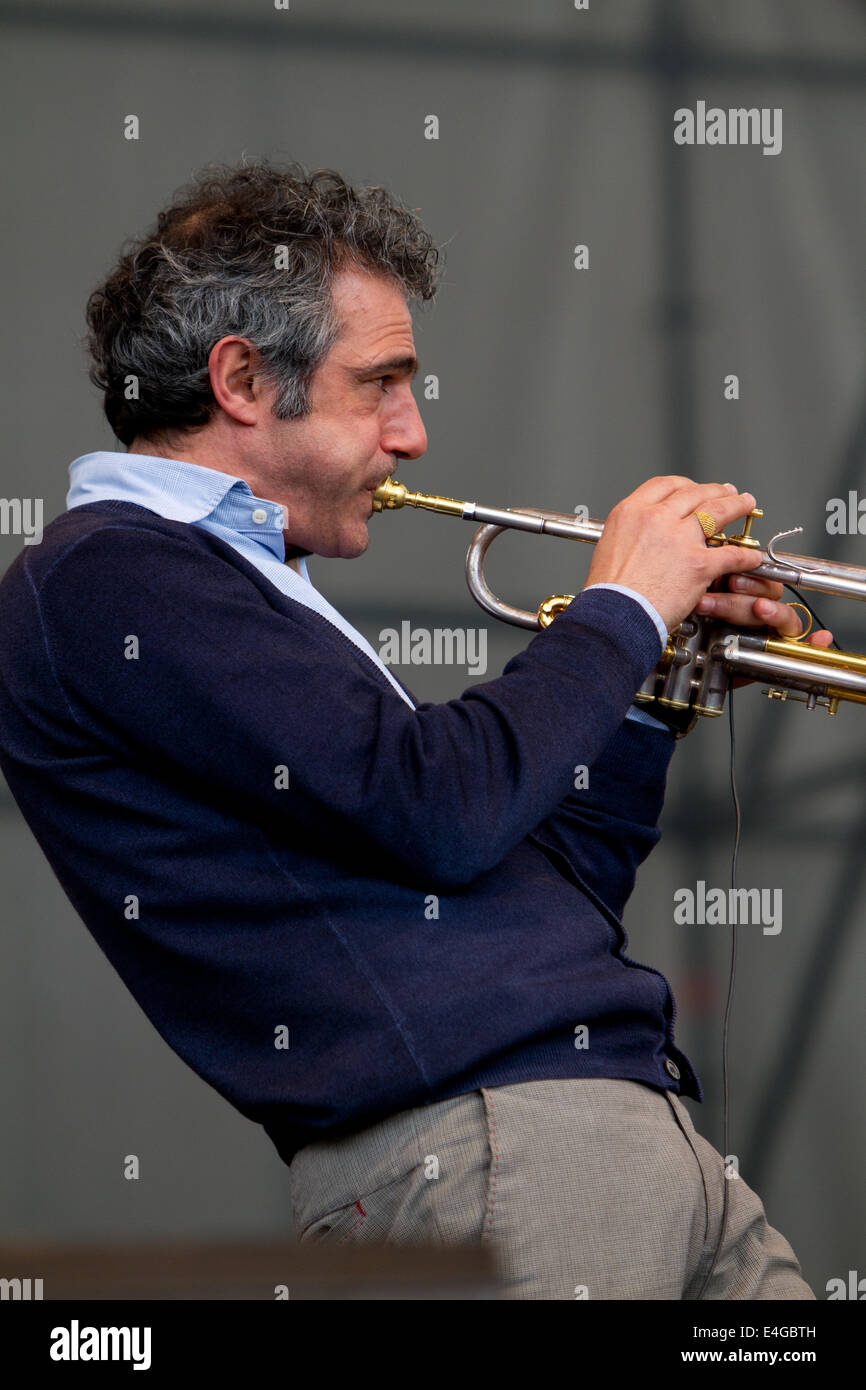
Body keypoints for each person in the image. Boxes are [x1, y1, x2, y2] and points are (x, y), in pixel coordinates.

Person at [0, 161, 828, 1300]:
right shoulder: (110, 574)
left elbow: (545, 879)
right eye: (380, 382)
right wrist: (621, 607)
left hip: (615, 1133)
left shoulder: (243, 584)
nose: (414, 433)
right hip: (500, 1143)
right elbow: (437, 805)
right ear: (241, 378)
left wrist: (649, 686)